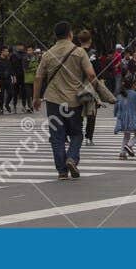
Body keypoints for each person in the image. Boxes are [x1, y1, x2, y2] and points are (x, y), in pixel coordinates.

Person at [32, 21, 99, 180]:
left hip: (53, 100)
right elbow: (91, 75)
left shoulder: (48, 54)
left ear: (56, 36)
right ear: (70, 34)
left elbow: (38, 77)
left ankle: (62, 171)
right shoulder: (79, 52)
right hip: (74, 100)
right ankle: (72, 158)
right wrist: (94, 91)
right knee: (76, 133)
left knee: (57, 136)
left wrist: (36, 98)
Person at [112, 80, 136, 159]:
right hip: (132, 118)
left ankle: (122, 153)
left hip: (122, 118)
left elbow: (116, 106)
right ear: (133, 85)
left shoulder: (120, 95)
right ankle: (129, 145)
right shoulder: (135, 94)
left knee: (126, 135)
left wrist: (116, 115)